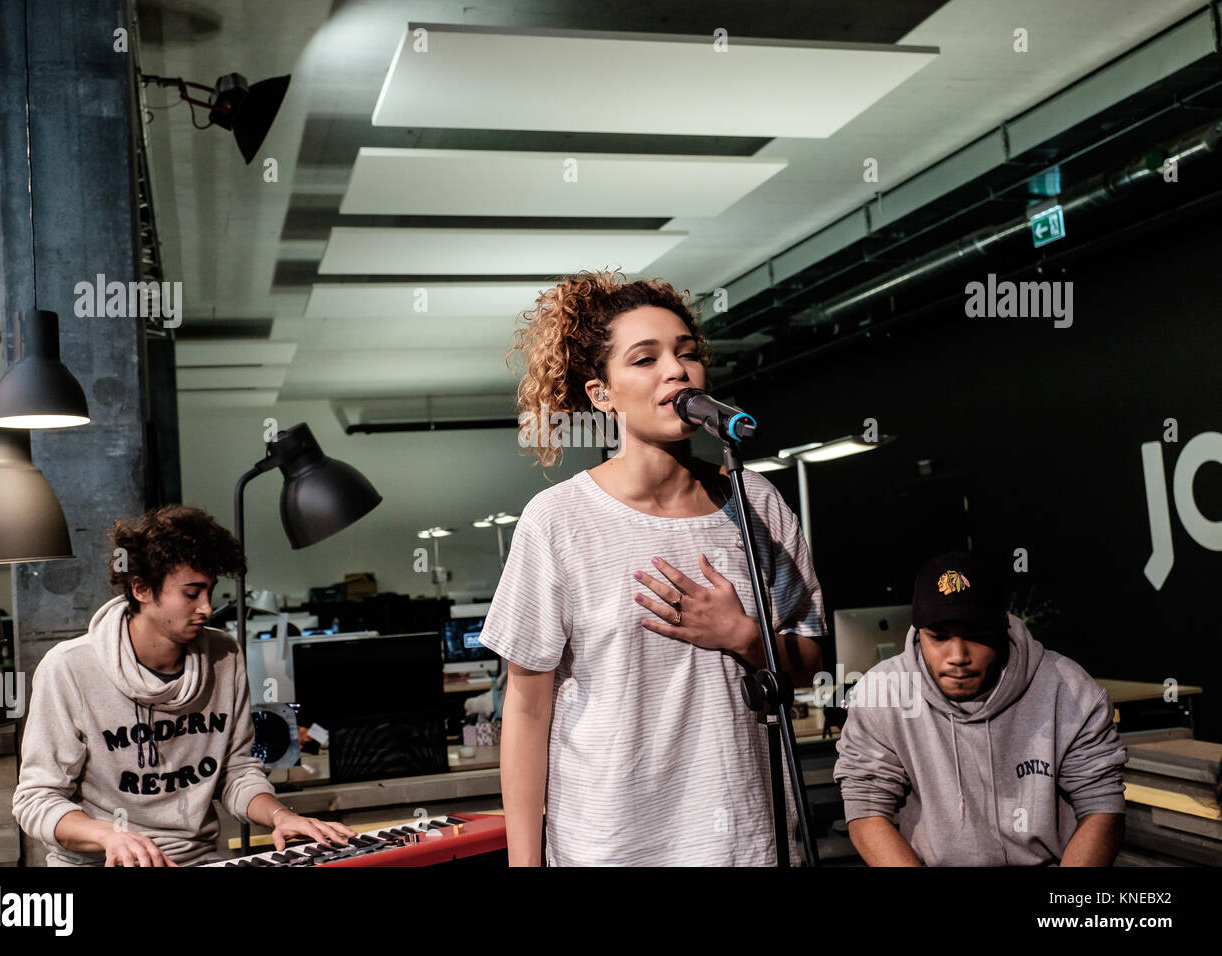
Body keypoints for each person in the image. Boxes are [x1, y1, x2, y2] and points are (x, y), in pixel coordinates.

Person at [478, 269, 825, 866]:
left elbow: (813, 657)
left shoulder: (755, 502)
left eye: (687, 354)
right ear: (600, 394)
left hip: (748, 842)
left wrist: (744, 637)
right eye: (645, 359)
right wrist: (522, 863)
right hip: (611, 846)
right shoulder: (558, 521)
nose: (677, 370)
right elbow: (528, 709)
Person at [12, 505, 355, 866]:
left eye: (210, 590)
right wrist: (110, 836)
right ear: (141, 588)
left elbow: (237, 773)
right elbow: (37, 799)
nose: (206, 608)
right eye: (192, 593)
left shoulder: (224, 655)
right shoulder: (69, 667)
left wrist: (280, 816)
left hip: (198, 860)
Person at [833, 550, 1127, 866]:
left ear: (1002, 626)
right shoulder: (882, 694)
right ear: (918, 633)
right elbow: (866, 811)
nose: (958, 655)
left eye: (976, 636)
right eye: (939, 637)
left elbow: (1101, 806)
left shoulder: (1068, 690)